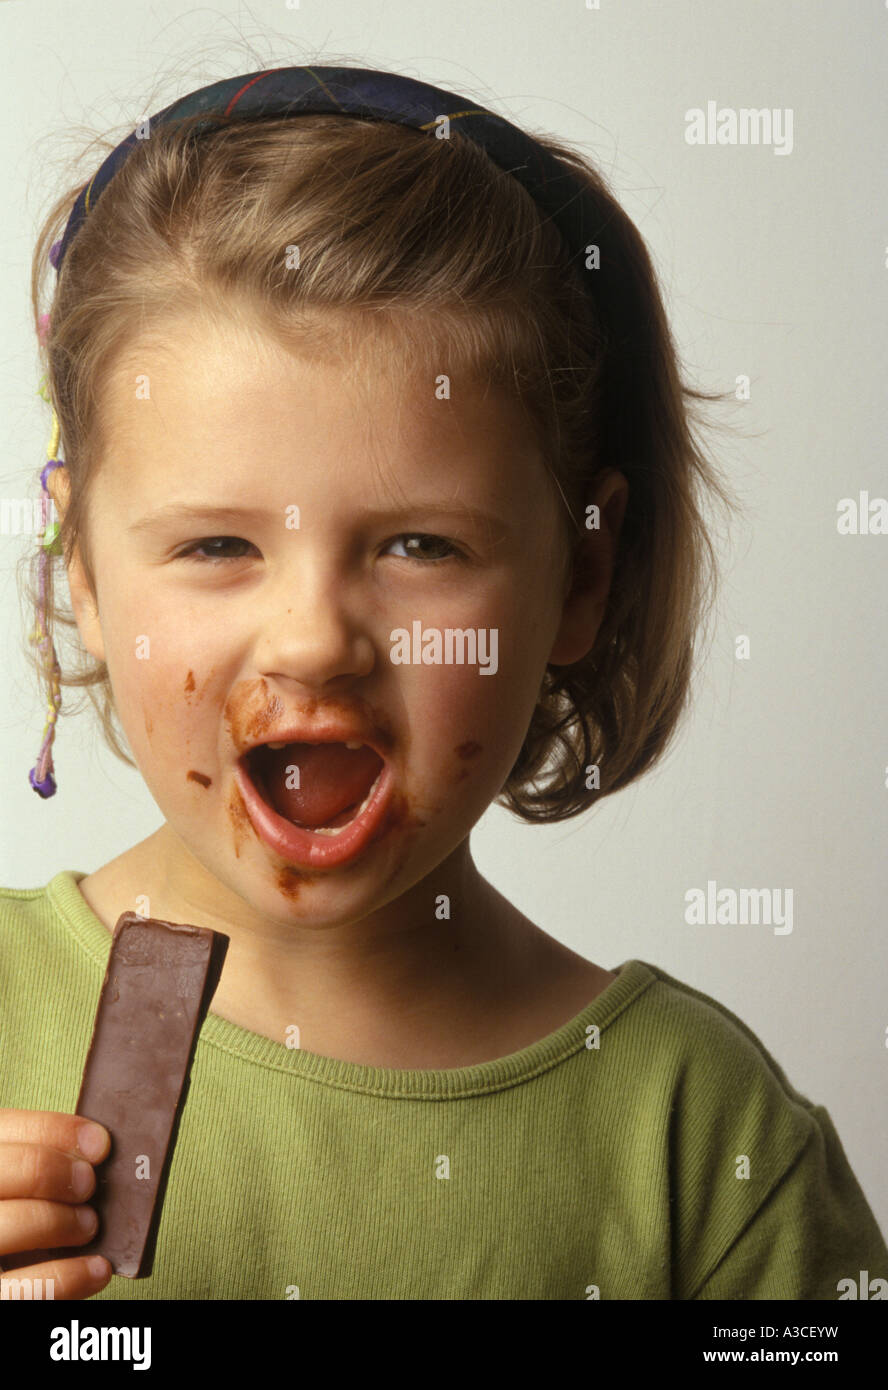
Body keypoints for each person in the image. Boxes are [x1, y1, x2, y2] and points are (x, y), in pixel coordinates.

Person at [1, 64, 885, 1301]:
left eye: (422, 546)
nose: (313, 642)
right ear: (80, 565)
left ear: (581, 576)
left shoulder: (704, 1144)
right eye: (216, 545)